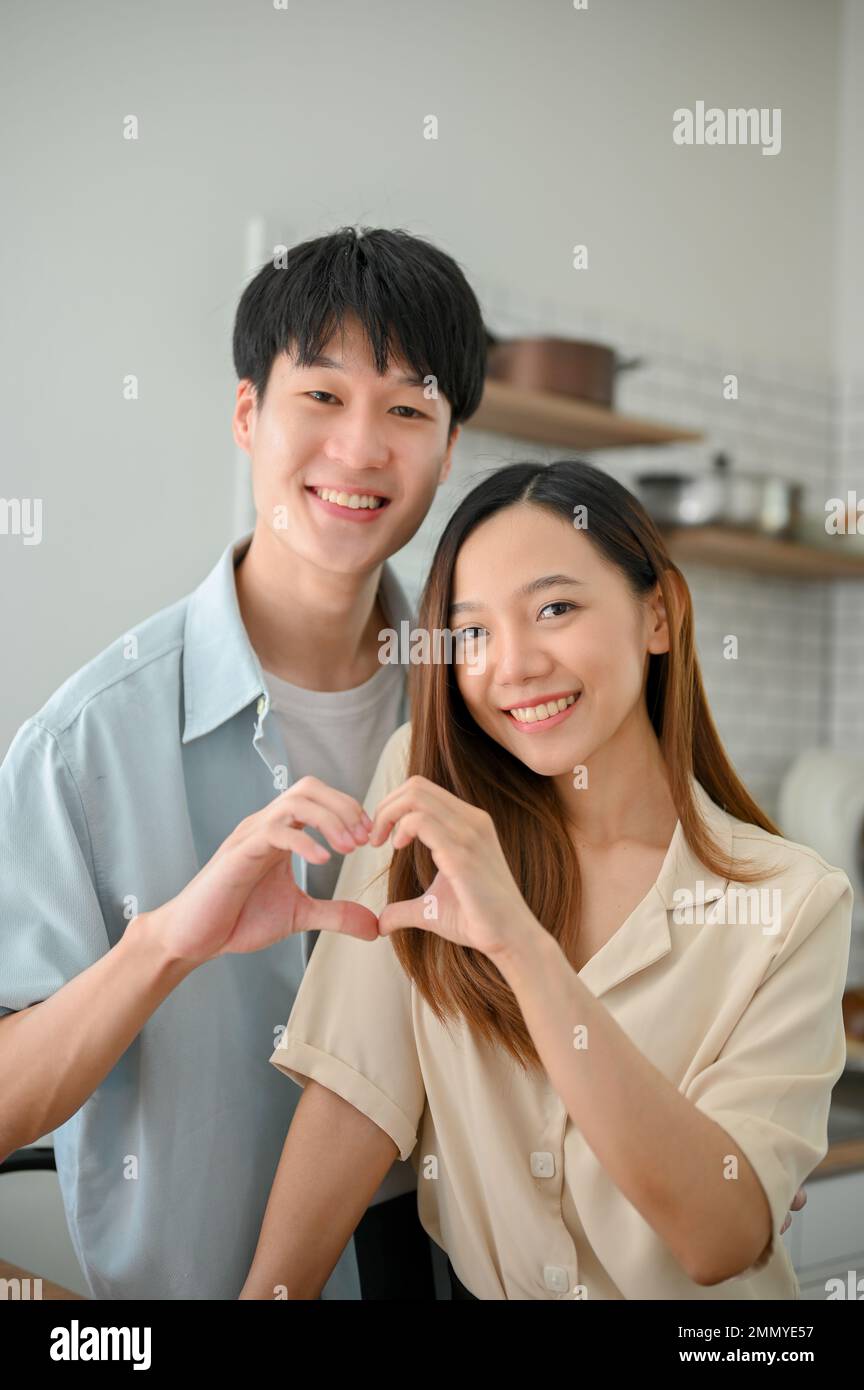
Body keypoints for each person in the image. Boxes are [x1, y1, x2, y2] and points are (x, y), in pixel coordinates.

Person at [0, 226, 487, 1299]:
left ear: (448, 451)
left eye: (409, 409)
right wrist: (167, 945)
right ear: (245, 415)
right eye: (322, 395)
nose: (362, 450)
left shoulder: (484, 719)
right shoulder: (83, 745)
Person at [245, 458, 847, 1300]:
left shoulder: (792, 902)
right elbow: (355, 1094)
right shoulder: (426, 799)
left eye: (555, 609)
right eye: (474, 634)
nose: (514, 666)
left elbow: (724, 1235)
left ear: (660, 615)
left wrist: (522, 947)